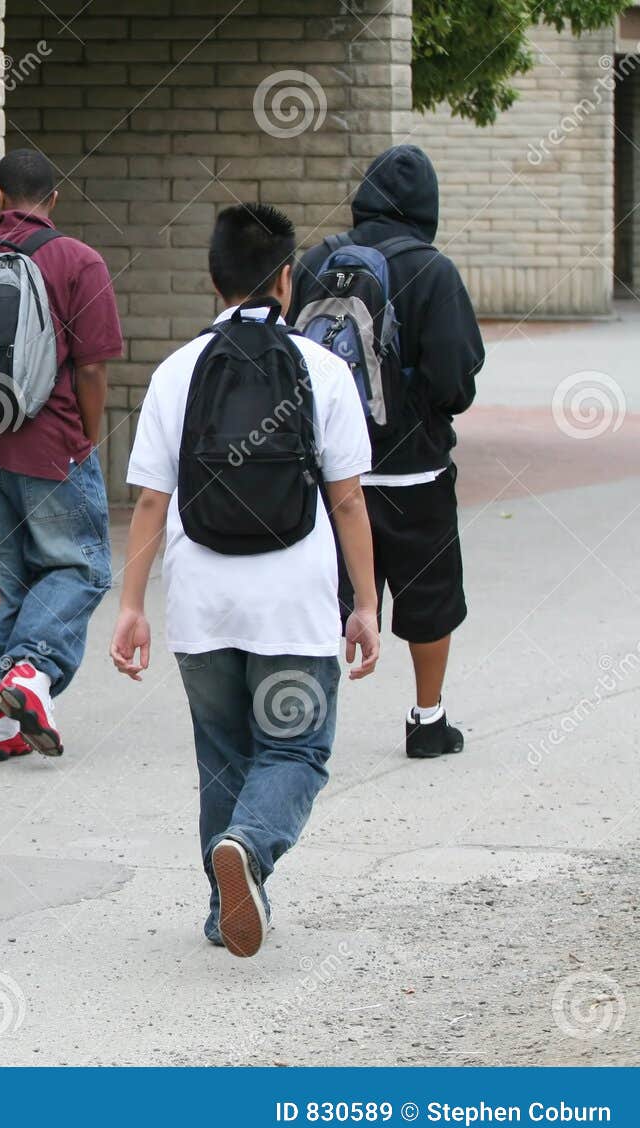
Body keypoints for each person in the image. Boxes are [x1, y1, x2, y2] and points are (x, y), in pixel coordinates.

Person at [111, 203, 381, 957]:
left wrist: (132, 604)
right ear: (287, 280)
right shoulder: (323, 372)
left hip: (203, 601)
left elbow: (150, 503)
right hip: (291, 603)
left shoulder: (176, 371)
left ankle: (219, 903)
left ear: (213, 278)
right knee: (296, 750)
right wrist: (364, 602)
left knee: (223, 752)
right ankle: (250, 851)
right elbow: (349, 499)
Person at [288, 144, 484, 758]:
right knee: (429, 600)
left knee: (325, 597)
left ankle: (298, 719)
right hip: (414, 472)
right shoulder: (434, 270)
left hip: (329, 475)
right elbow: (456, 378)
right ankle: (428, 720)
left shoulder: (317, 260)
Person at [0, 147, 122, 762]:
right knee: (80, 567)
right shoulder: (78, 261)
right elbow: (91, 369)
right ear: (54, 199)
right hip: (53, 446)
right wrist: (86, 437)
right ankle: (28, 673)